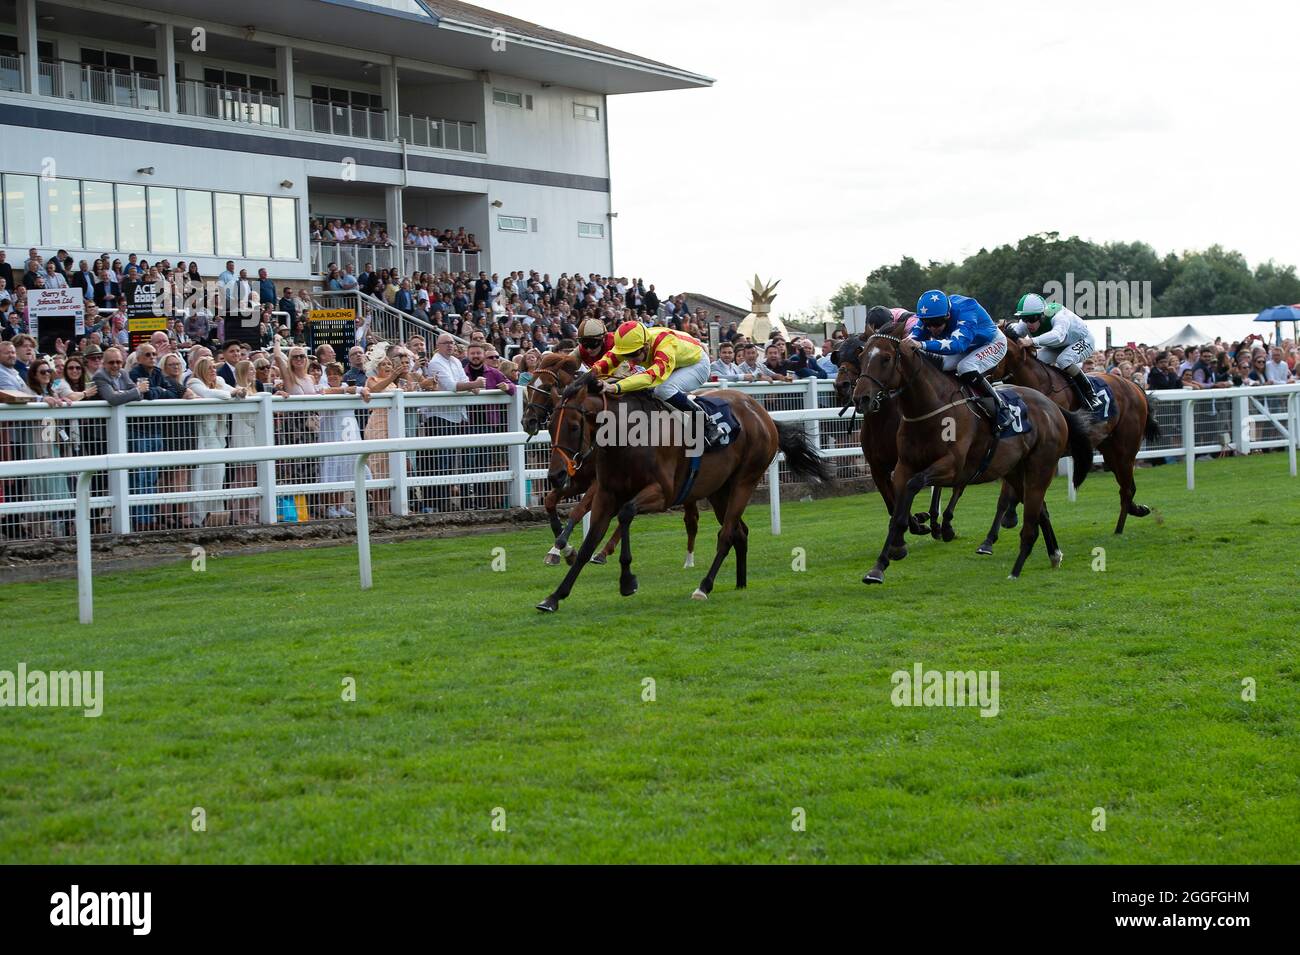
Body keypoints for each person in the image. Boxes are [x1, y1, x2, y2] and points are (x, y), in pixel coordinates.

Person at [586, 320, 720, 447]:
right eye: (626, 355)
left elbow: (652, 377)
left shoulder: (665, 344)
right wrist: (588, 376)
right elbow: (607, 361)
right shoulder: (632, 345)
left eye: (633, 354)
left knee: (663, 390)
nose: (630, 360)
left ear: (645, 347)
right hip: (676, 363)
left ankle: (708, 424)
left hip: (697, 364)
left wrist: (615, 387)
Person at [910, 289, 1011, 430]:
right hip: (968, 345)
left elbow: (958, 344)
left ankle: (1002, 408)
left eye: (937, 323)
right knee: (943, 365)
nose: (932, 329)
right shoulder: (932, 313)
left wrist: (922, 344)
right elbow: (911, 339)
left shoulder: (967, 309)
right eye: (927, 323)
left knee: (965, 367)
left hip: (992, 343)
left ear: (948, 315)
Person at [1008, 293, 1102, 411]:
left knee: (1064, 360)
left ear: (1042, 315)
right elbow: (1013, 338)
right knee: (1036, 362)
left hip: (1083, 340)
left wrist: (1031, 341)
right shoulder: (1026, 323)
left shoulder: (1059, 316)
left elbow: (1058, 336)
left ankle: (1090, 395)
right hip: (1057, 346)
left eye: (1031, 319)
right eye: (1024, 319)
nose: (1028, 323)